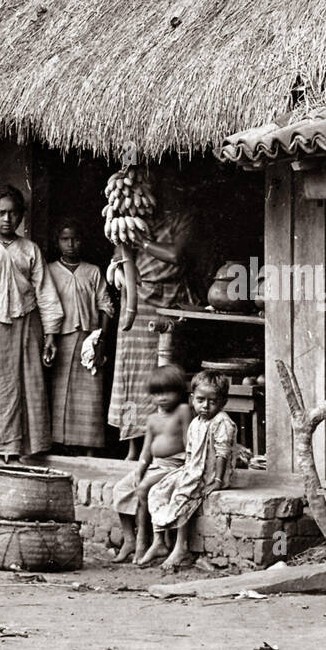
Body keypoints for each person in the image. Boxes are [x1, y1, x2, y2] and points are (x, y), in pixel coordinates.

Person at [0, 185, 64, 463]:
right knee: (2, 386)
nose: (7, 219)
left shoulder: (29, 249)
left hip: (30, 323)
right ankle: (1, 450)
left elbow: (45, 292)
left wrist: (51, 335)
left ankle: (27, 452)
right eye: (1, 213)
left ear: (21, 216)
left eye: (13, 213)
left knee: (31, 385)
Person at [107, 175, 195, 460]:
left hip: (166, 302)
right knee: (131, 377)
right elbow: (118, 256)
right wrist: (119, 271)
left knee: (160, 372)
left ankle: (162, 446)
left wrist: (142, 243)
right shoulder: (131, 219)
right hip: (136, 299)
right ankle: (134, 448)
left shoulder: (183, 219)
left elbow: (175, 254)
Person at [143, 370, 236, 572]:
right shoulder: (196, 422)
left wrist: (218, 480)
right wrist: (182, 472)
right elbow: (191, 452)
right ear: (192, 399)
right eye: (201, 400)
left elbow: (222, 453)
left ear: (223, 402)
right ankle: (159, 541)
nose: (206, 405)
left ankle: (181, 547)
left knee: (183, 494)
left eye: (212, 401)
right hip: (193, 469)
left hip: (211, 474)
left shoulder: (222, 422)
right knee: (159, 489)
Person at [47, 219, 114, 455]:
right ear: (58, 242)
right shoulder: (50, 271)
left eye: (75, 239)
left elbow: (105, 306)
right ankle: (61, 447)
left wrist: (101, 340)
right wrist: (49, 338)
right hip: (60, 339)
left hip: (90, 340)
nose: (71, 244)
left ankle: (90, 450)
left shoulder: (93, 271)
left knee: (90, 397)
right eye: (65, 239)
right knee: (59, 394)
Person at [112, 364, 192, 563]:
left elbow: (189, 442)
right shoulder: (152, 418)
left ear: (179, 391)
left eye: (168, 392)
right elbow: (146, 449)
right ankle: (129, 539)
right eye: (157, 393)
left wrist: (188, 468)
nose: (162, 398)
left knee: (144, 488)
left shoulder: (183, 411)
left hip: (175, 466)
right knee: (121, 488)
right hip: (155, 465)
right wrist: (140, 468)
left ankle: (142, 541)